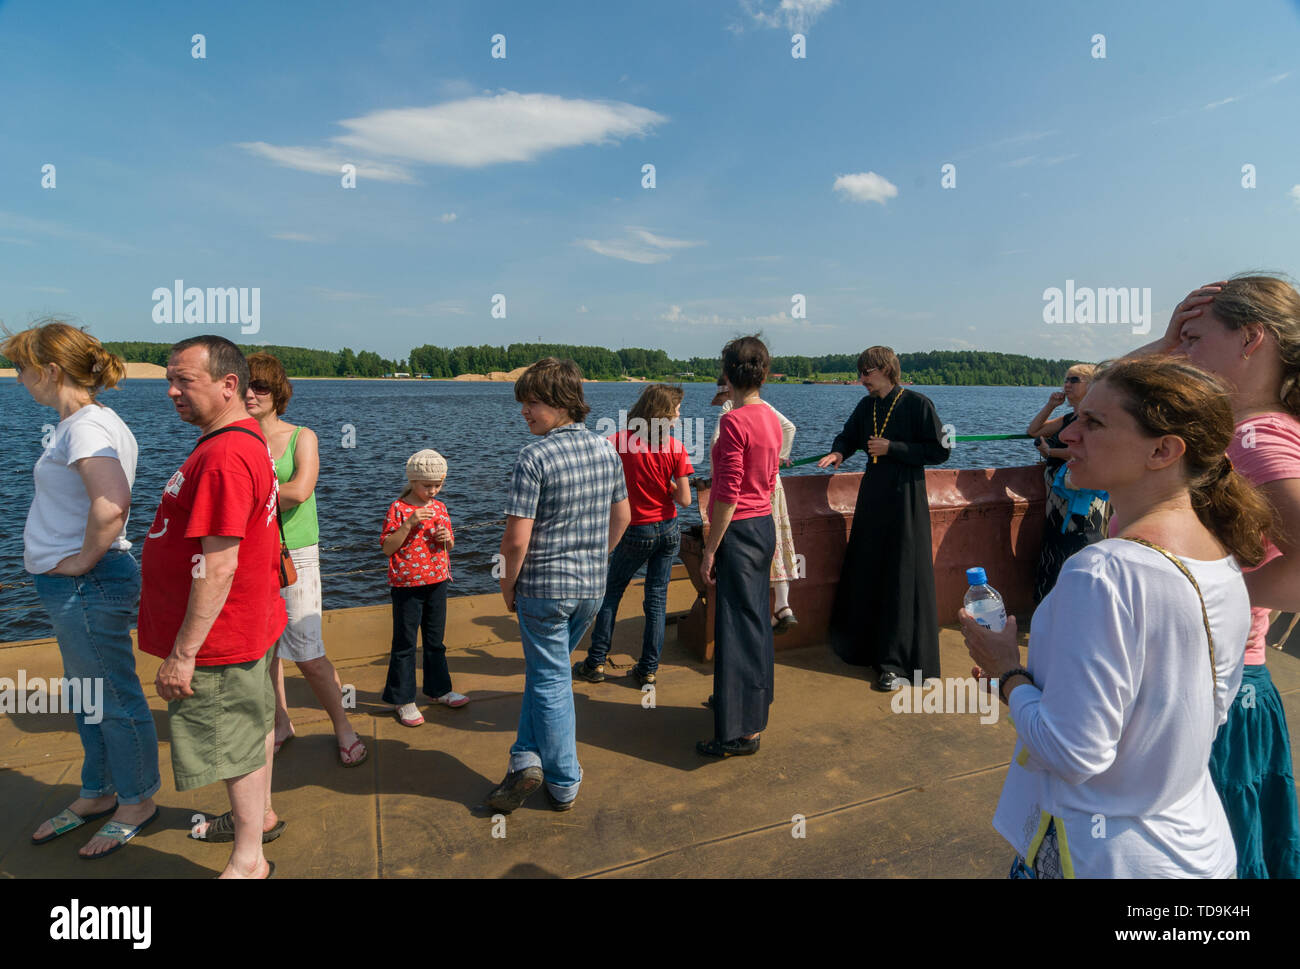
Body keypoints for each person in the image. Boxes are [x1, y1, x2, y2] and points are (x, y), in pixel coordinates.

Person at [960, 357, 1267, 878]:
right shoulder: (1218, 555)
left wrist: (1007, 673)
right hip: (1195, 849)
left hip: (1101, 856)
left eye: (1095, 423)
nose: (1071, 434)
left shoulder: (1103, 572)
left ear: (1164, 450)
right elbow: (1190, 712)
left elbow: (1075, 754)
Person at [1136, 274, 1300, 878]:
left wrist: (1213, 598)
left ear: (1251, 338)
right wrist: (1166, 341)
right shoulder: (1255, 427)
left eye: (1195, 336)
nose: (1182, 353)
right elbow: (1098, 406)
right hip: (1227, 686)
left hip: (1216, 695)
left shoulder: (1255, 439)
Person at [7, 321, 161, 858]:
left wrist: (82, 560)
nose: (18, 379)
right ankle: (99, 791)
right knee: (88, 695)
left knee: (113, 697)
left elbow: (112, 503)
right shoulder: (89, 422)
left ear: (51, 371)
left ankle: (137, 799)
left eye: (23, 368)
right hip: (77, 584)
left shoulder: (84, 428)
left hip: (88, 584)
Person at [137, 335, 286, 879]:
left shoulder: (225, 454)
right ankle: (260, 819)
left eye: (185, 381)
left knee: (232, 742)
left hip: (221, 636)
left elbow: (218, 566)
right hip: (247, 622)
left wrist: (183, 653)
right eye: (169, 380)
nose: (172, 391)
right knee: (252, 728)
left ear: (229, 384)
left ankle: (249, 860)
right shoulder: (242, 438)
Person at [487, 358, 630, 813]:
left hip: (544, 589)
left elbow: (516, 539)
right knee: (546, 674)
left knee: (551, 682)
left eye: (532, 403)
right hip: (590, 588)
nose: (525, 412)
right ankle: (525, 759)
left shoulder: (534, 457)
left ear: (562, 403)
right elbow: (623, 516)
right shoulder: (607, 450)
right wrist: (596, 557)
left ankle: (564, 780)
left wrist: (508, 585)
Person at [244, 353, 366, 766]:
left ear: (277, 392)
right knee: (265, 652)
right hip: (249, 551)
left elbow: (300, 490)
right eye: (243, 385)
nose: (250, 393)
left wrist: (244, 492)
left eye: (259, 386)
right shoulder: (237, 436)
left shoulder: (301, 437)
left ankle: (344, 727)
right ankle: (281, 723)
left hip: (293, 553)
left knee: (308, 653)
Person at [818, 346, 950, 691]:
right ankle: (866, 649)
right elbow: (849, 435)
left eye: (867, 373)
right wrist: (838, 451)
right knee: (869, 568)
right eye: (861, 373)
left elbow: (940, 450)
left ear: (886, 370)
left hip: (906, 498)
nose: (862, 380)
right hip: (873, 496)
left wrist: (893, 448)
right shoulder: (866, 406)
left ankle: (897, 662)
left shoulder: (919, 404)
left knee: (901, 573)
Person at [574, 383, 692, 687]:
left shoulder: (617, 441)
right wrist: (668, 486)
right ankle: (647, 670)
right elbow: (686, 500)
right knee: (656, 599)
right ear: (663, 413)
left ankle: (596, 662)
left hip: (634, 529)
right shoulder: (676, 448)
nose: (679, 415)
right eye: (677, 410)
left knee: (612, 592)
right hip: (668, 528)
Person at [698, 337, 782, 757]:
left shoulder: (735, 422)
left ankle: (738, 731)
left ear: (727, 374)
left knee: (734, 627)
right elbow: (763, 480)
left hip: (740, 529)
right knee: (754, 622)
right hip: (763, 524)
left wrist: (711, 547)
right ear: (763, 374)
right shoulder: (767, 417)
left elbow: (728, 493)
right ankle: (748, 707)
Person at [379, 449, 468, 726]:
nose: (432, 491)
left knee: (435, 640)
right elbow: (387, 547)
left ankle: (438, 690)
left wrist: (446, 538)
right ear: (413, 481)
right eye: (427, 486)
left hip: (437, 581)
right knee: (405, 643)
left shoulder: (440, 507)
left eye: (437, 485)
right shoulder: (398, 508)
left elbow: (449, 545)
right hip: (407, 584)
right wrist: (409, 523)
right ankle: (402, 699)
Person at [711, 376, 800, 631]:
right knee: (776, 541)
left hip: (745, 491)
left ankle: (753, 618)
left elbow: (721, 452)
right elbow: (789, 428)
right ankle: (783, 604)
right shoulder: (764, 408)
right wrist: (780, 457)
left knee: (747, 554)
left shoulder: (732, 411)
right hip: (771, 484)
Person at [1026, 363, 1111, 603]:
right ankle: (1052, 602)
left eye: (1074, 380)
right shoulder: (1069, 417)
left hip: (1081, 492)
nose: (1067, 384)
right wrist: (1051, 405)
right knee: (1055, 539)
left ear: (1091, 385)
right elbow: (1034, 430)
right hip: (1058, 495)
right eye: (1066, 379)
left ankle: (1079, 602)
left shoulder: (1096, 417)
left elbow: (1087, 451)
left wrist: (1051, 452)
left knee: (1080, 539)